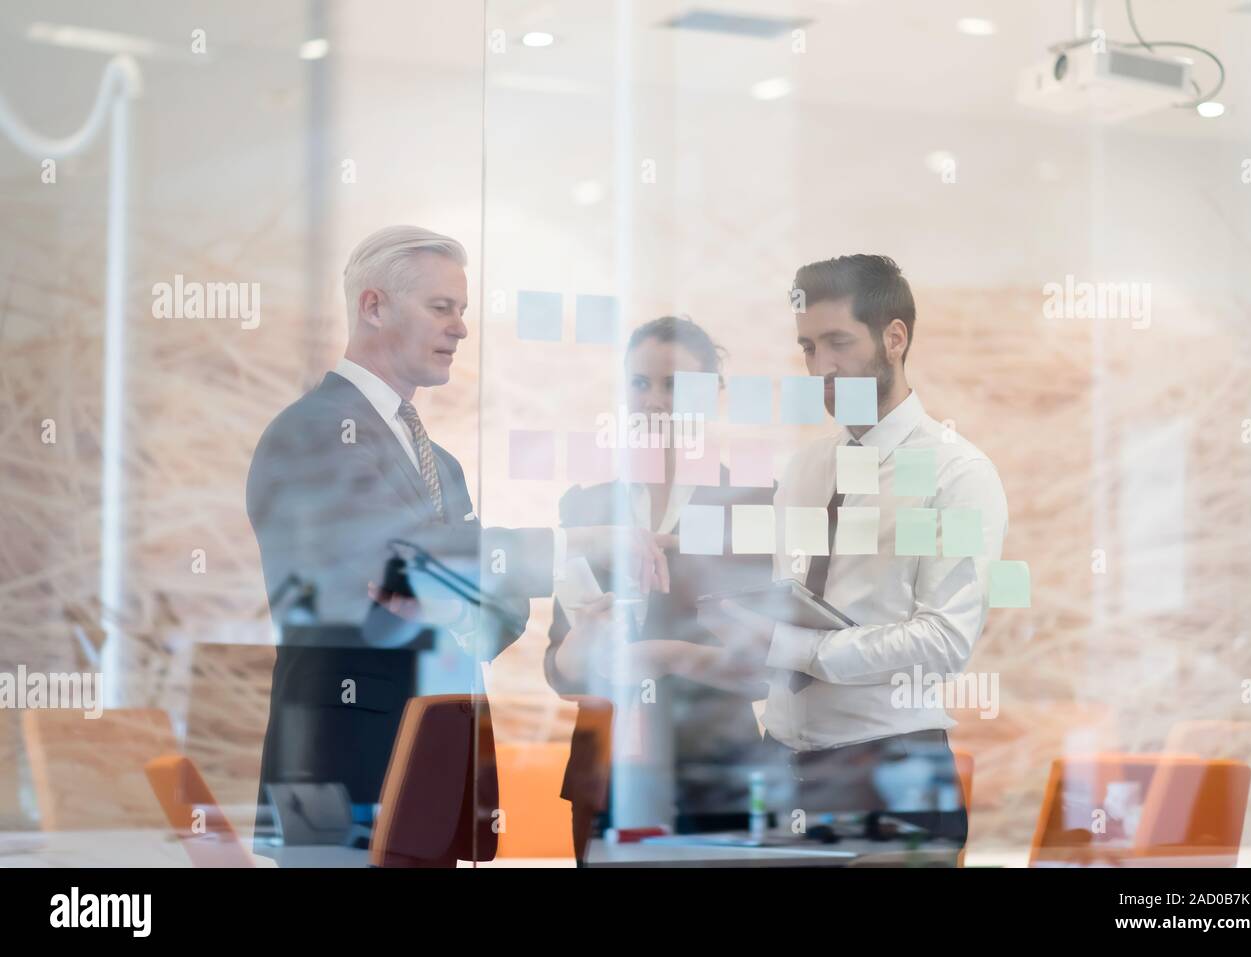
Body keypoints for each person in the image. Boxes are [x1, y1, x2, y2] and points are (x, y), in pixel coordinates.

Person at [245, 225, 665, 864]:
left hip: (437, 775)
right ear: (374, 306)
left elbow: (496, 609)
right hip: (344, 779)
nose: (461, 329)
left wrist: (448, 600)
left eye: (462, 311)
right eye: (442, 308)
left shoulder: (439, 462)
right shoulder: (311, 433)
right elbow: (404, 561)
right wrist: (571, 545)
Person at [704, 254, 1009, 848]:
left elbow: (943, 642)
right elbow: (788, 604)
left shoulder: (956, 473)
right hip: (786, 771)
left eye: (839, 342)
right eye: (809, 347)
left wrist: (798, 649)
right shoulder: (805, 469)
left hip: (893, 779)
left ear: (894, 338)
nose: (823, 366)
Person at [543, 316, 773, 863]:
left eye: (675, 386)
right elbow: (561, 669)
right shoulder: (586, 507)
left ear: (713, 395)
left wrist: (662, 657)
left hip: (716, 771)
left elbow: (765, 667)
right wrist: (586, 640)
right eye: (640, 383)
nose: (654, 401)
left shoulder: (757, 505)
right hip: (608, 774)